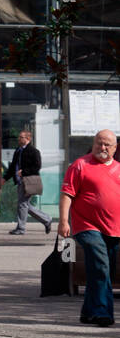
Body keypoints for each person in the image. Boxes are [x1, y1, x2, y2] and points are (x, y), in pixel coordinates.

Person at [60, 129, 120, 326]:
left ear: (115, 148)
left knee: (102, 271)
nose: (102, 148)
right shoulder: (80, 165)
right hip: (87, 226)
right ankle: (104, 313)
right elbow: (67, 193)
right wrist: (63, 221)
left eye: (106, 145)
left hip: (114, 228)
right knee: (101, 266)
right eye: (98, 143)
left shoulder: (118, 168)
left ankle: (88, 312)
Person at [4, 130, 51, 234]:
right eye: (19, 137)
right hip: (20, 181)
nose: (19, 139)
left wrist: (24, 171)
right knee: (24, 205)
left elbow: (37, 166)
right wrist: (5, 178)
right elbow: (13, 167)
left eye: (21, 137)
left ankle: (21, 228)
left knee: (22, 204)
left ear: (28, 139)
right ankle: (46, 219)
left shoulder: (34, 151)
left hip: (28, 181)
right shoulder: (18, 150)